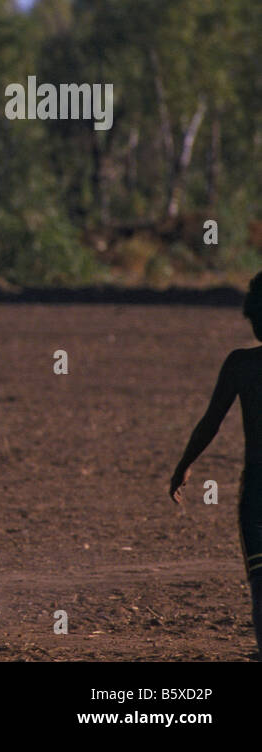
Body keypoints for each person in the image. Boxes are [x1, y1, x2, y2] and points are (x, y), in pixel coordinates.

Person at [169, 270, 262, 657]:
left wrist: (184, 464)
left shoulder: (240, 365)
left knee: (260, 578)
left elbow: (211, 422)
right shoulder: (239, 365)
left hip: (257, 492)